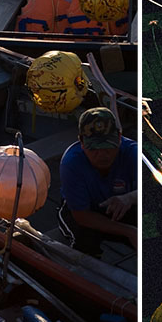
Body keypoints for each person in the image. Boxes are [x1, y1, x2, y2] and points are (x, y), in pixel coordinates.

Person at [58, 108, 137, 254]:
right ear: (81, 142)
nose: (102, 155)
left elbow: (154, 188)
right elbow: (81, 215)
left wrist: (130, 197)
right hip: (85, 213)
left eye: (108, 147)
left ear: (119, 138)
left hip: (121, 206)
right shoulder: (71, 164)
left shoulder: (133, 153)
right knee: (84, 241)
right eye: (94, 149)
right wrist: (129, 231)